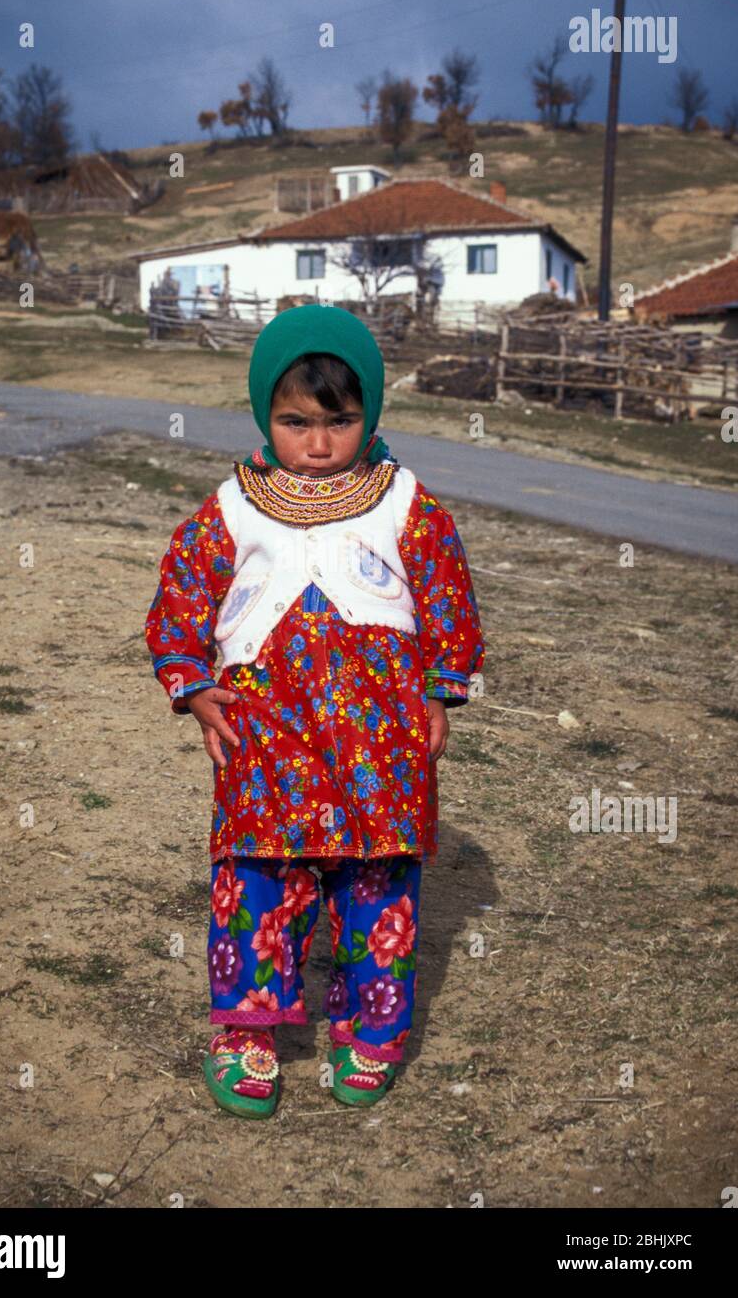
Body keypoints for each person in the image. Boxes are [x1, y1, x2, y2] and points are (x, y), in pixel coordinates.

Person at [144, 303, 485, 1119]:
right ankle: (247, 1034)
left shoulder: (405, 502)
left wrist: (440, 690)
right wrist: (192, 686)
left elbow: (447, 597)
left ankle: (371, 1034)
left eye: (340, 420)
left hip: (381, 743)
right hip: (267, 741)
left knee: (378, 888)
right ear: (265, 413)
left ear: (370, 414)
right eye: (295, 422)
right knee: (256, 881)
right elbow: (181, 598)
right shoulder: (232, 506)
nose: (320, 443)